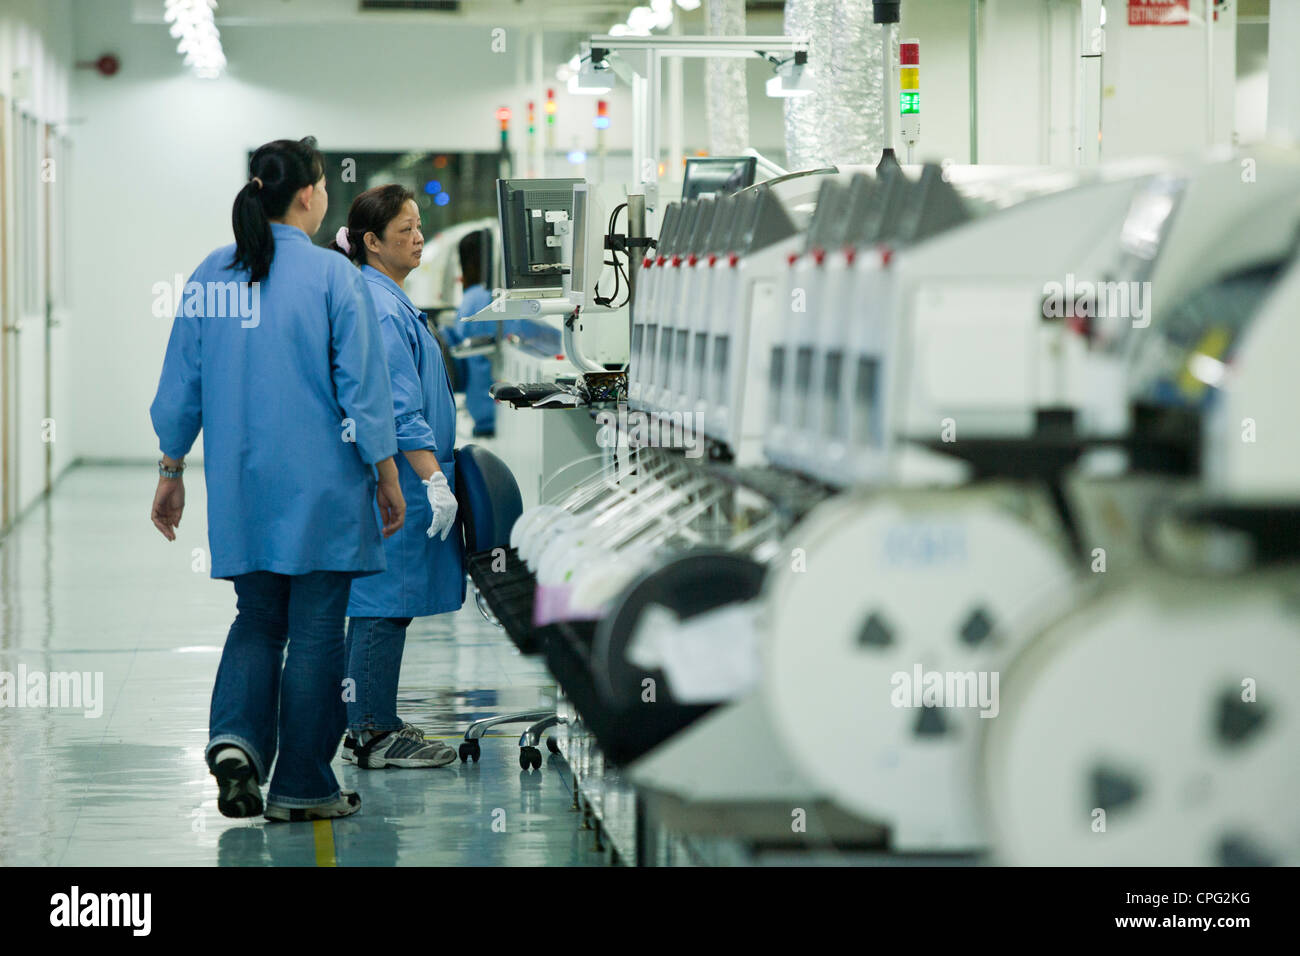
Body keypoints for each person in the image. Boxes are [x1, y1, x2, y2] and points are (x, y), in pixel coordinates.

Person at [149, 137, 406, 823]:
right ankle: (300, 783)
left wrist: (171, 469)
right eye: (322, 185)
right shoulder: (332, 277)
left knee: (258, 620)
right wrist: (387, 473)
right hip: (323, 490)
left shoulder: (211, 274)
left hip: (242, 490)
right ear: (308, 194)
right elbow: (363, 390)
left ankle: (235, 743)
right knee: (318, 632)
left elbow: (182, 387)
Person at [329, 185, 465, 769]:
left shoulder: (385, 296)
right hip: (401, 479)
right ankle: (372, 730)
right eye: (405, 230)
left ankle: (368, 718)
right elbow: (397, 411)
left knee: (383, 601)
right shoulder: (382, 308)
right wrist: (433, 479)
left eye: (418, 226)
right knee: (385, 603)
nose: (418, 239)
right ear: (371, 242)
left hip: (400, 474)